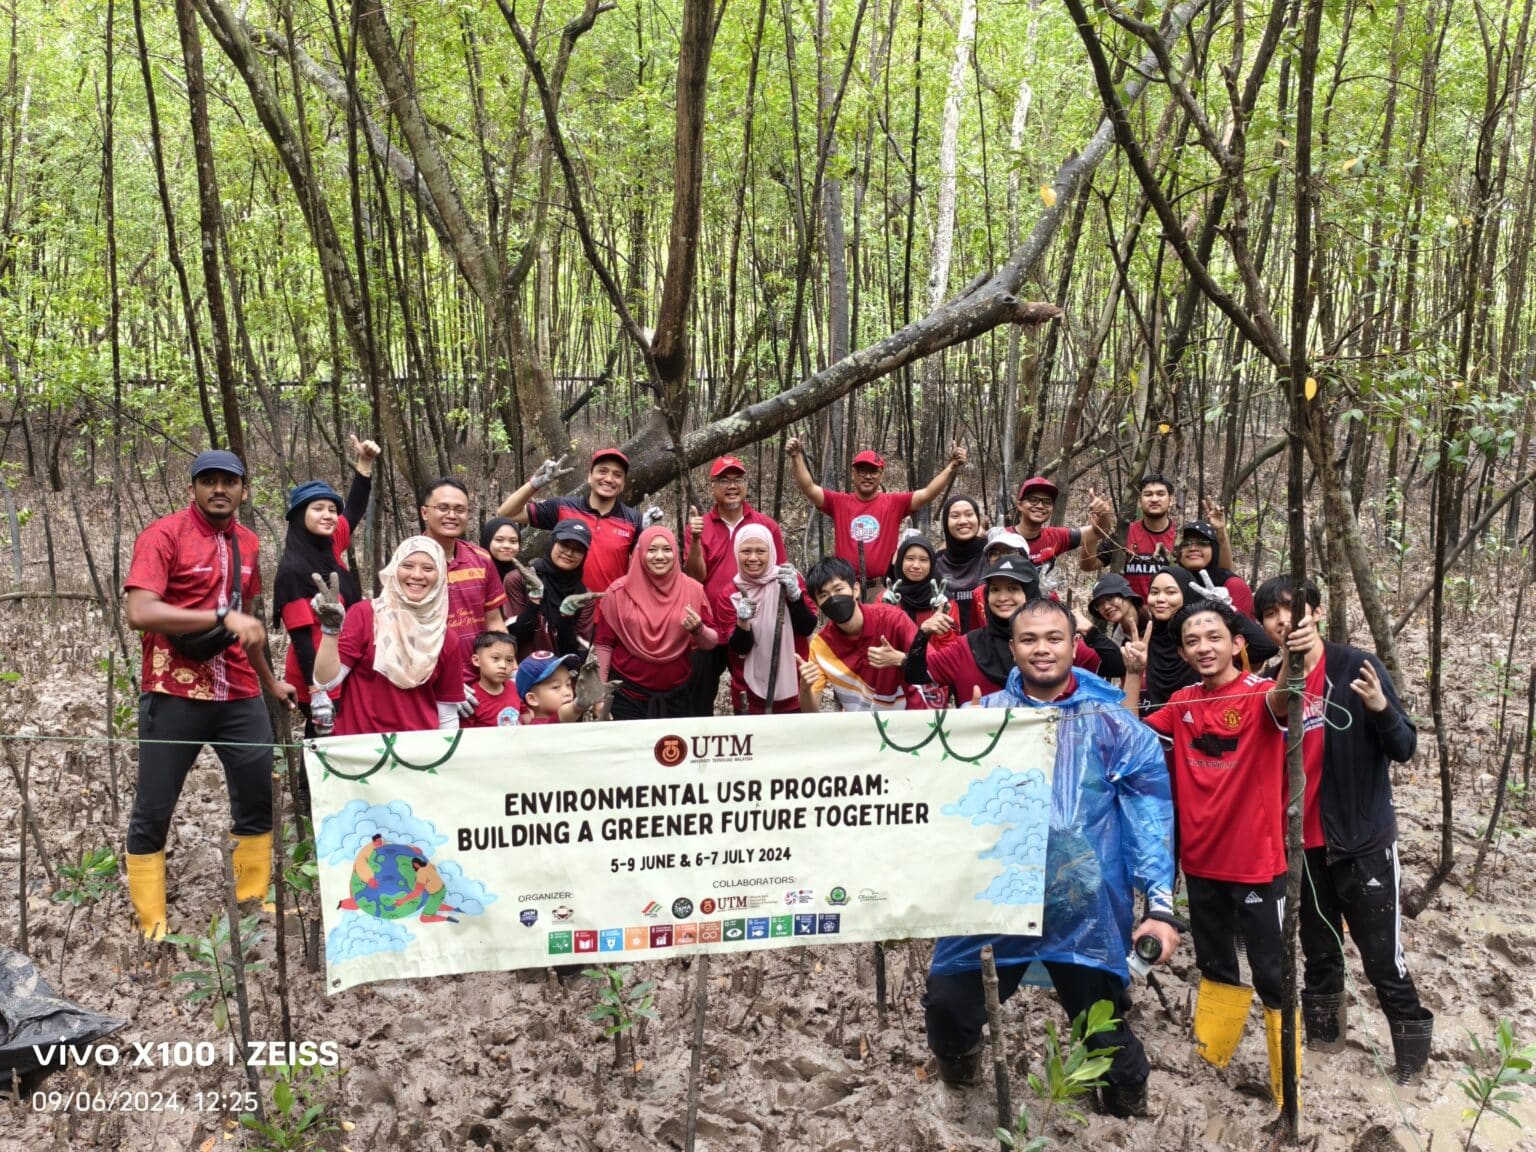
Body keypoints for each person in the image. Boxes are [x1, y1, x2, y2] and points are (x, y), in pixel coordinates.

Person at [923, 597, 1178, 1119]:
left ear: (1073, 645)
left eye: (1054, 639)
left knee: (1101, 1024)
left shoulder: (1115, 725)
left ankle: (1127, 1103)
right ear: (1012, 647)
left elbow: (1149, 819)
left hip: (1082, 906)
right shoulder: (983, 719)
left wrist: (1159, 907)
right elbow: (930, 800)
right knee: (949, 1006)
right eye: (1030, 640)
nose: (1042, 650)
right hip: (993, 898)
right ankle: (960, 1073)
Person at [1255, 576, 1433, 1083]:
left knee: (1382, 960)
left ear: (1316, 611)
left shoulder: (1355, 667)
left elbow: (1404, 747)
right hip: (1302, 848)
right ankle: (1326, 1044)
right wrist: (1287, 669)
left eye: (1292, 609)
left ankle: (1411, 1063)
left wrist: (1379, 708)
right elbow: (1265, 729)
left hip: (1361, 841)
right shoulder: (1273, 677)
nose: (1282, 620)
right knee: (1319, 953)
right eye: (1270, 613)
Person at [123, 450, 297, 940]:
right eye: (209, 481)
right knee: (155, 805)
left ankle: (253, 899)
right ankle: (152, 922)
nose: (219, 490)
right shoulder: (164, 535)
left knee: (257, 795)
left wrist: (270, 682)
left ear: (244, 491)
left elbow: (247, 627)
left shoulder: (248, 542)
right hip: (173, 688)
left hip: (239, 691)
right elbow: (141, 610)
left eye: (230, 482)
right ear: (193, 488)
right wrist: (217, 618)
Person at [1127, 600, 1294, 1108]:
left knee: (1272, 970)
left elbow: (1285, 699)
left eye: (1214, 636)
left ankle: (1288, 1085)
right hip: (1200, 861)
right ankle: (1214, 1059)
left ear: (1238, 643)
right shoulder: (1180, 701)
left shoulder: (1261, 693)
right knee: (1217, 961)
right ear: (1182, 651)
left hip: (1258, 864)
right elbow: (1126, 732)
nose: (1204, 647)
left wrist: (1292, 654)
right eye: (1193, 641)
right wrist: (1133, 675)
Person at [273, 436, 381, 737]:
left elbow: (355, 509)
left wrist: (364, 463)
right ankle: (309, 787)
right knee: (323, 742)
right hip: (318, 673)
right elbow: (301, 637)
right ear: (299, 516)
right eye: (318, 509)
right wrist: (315, 690)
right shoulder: (294, 570)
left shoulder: (330, 545)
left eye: (332, 509)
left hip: (343, 662)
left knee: (346, 736)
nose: (329, 515)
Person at [311, 537, 465, 737]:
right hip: (360, 749)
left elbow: (447, 716)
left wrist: (444, 760)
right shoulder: (366, 615)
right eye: (407, 566)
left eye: (428, 569)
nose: (417, 575)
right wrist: (330, 631)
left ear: (441, 576)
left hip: (418, 753)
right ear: (394, 569)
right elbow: (326, 682)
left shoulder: (445, 638)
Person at [906, 555, 1110, 706]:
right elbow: (916, 674)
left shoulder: (1052, 644)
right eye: (995, 590)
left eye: (1013, 588)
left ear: (1030, 592)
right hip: (982, 753)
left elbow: (1114, 666)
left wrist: (1091, 632)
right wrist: (922, 635)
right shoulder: (968, 646)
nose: (1002, 597)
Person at [785, 437, 967, 596]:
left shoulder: (894, 503)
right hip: (846, 586)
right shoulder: (839, 502)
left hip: (881, 587)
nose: (867, 476)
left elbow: (927, 493)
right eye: (862, 470)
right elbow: (809, 488)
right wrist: (796, 457)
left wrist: (951, 467)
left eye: (873, 471)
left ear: (881, 475)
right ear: (853, 474)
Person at [683, 455, 789, 716]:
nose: (731, 486)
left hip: (751, 625)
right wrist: (696, 540)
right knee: (698, 696)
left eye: (737, 479)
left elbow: (781, 574)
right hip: (706, 625)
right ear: (711, 487)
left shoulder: (766, 526)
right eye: (723, 480)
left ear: (746, 485)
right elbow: (695, 577)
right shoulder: (700, 526)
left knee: (751, 693)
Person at [594, 526, 720, 720]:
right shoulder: (618, 593)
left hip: (677, 696)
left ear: (675, 553)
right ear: (641, 552)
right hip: (625, 696)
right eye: (652, 550)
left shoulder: (693, 590)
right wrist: (599, 696)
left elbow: (710, 642)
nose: (660, 556)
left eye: (667, 549)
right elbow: (604, 643)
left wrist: (699, 630)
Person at [1127, 566, 1278, 714]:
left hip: (1222, 721)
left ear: (1188, 594)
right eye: (1154, 592)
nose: (1160, 599)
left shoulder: (1211, 640)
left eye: (1170, 592)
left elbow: (1265, 647)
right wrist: (1133, 673)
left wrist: (1227, 609)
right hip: (1162, 729)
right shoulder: (1145, 642)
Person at [497, 448, 643, 593]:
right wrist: (535, 484)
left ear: (623, 484)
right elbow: (506, 513)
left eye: (617, 475)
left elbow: (646, 567)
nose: (609, 479)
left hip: (610, 610)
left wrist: (652, 533)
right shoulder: (564, 507)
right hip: (561, 609)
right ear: (589, 477)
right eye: (602, 471)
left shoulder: (633, 520)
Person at [798, 556, 923, 711]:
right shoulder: (821, 645)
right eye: (824, 595)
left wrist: (901, 659)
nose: (833, 598)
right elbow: (810, 711)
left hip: (910, 720)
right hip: (863, 729)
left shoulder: (893, 619)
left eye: (838, 589)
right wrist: (805, 687)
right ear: (817, 605)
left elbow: (932, 665)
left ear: (855, 589)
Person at [416, 478, 508, 683]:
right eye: (443, 508)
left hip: (481, 679)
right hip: (429, 681)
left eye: (459, 509)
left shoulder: (482, 559)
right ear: (424, 512)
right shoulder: (408, 563)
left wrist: (507, 665)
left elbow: (493, 620)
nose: (451, 515)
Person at [725, 524, 819, 714]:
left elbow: (807, 627)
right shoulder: (730, 593)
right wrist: (742, 621)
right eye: (746, 551)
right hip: (749, 694)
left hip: (795, 686)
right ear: (736, 553)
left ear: (772, 551)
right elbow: (740, 648)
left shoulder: (788, 580)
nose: (753, 558)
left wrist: (795, 596)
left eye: (761, 551)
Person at [884, 535, 962, 708]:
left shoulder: (945, 602)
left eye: (924, 560)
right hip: (893, 683)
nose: (916, 565)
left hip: (931, 681)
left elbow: (951, 651)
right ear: (900, 561)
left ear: (932, 564)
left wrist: (941, 624)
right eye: (910, 558)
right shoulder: (888, 598)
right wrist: (885, 611)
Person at [503, 520, 600, 659]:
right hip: (521, 670)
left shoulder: (583, 597)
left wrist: (566, 616)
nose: (569, 552)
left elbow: (578, 653)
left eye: (578, 549)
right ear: (552, 542)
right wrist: (534, 599)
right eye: (564, 544)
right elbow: (511, 637)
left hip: (560, 674)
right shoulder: (519, 579)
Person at [1012, 476, 1115, 590]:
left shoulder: (1056, 537)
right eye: (1033, 500)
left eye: (1047, 502)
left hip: (1042, 604)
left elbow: (1098, 532)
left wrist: (1104, 515)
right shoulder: (1000, 537)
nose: (1040, 506)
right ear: (1020, 505)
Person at [932, 495, 989, 631]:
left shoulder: (993, 554)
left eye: (969, 514)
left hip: (989, 643)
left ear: (978, 519)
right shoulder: (934, 562)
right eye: (955, 516)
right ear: (945, 522)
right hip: (948, 643)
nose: (963, 521)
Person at [1176, 518, 1253, 617]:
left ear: (1214, 549)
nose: (1193, 548)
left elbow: (1245, 629)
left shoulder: (1233, 585)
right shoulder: (1173, 582)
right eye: (1186, 543)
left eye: (1202, 542)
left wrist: (1225, 610)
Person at [462, 632, 523, 728]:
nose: (503, 665)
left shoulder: (515, 687)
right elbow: (467, 736)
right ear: (476, 660)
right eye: (496, 658)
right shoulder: (472, 698)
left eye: (509, 660)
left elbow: (525, 715)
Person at [516, 651, 595, 724]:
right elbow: (567, 713)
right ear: (532, 699)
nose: (567, 692)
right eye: (556, 687)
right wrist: (579, 704)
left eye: (568, 684)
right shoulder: (540, 726)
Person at [480, 517, 522, 585]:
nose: (507, 546)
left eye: (513, 541)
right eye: (499, 540)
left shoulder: (524, 576)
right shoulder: (476, 575)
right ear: (487, 541)